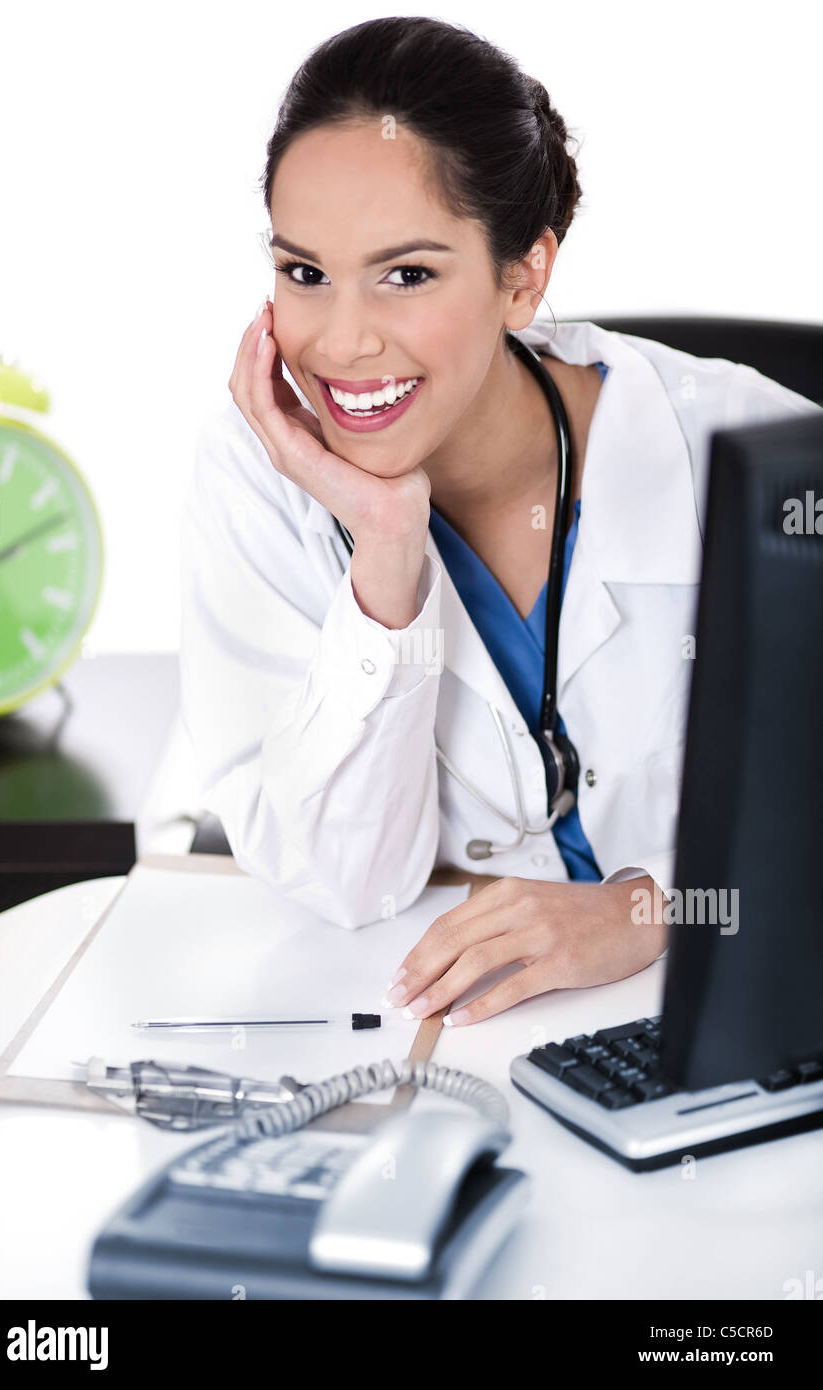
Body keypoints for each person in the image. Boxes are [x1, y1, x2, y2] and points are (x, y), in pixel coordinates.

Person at [179, 17, 822, 1028]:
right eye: (304, 272)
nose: (341, 341)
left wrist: (644, 909)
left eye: (407, 274)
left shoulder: (750, 450)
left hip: (738, 1041)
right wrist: (385, 550)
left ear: (522, 276)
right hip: (456, 1045)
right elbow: (345, 885)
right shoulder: (258, 473)